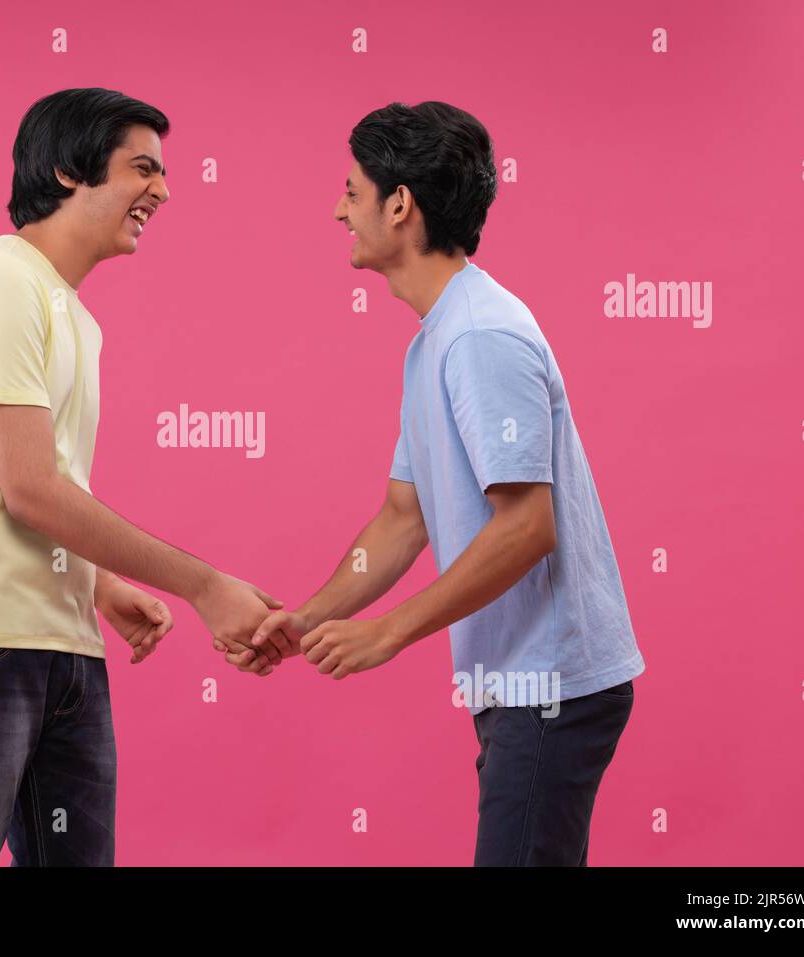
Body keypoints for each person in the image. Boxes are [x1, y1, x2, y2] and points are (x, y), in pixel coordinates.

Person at [221, 101, 646, 866]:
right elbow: (401, 518)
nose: (337, 210)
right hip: (516, 683)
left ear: (400, 204)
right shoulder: (437, 341)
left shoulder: (481, 334)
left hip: (549, 685)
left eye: (351, 192)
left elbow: (526, 527)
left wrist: (387, 632)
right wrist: (305, 620)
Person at [0, 87, 281, 866]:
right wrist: (203, 586)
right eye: (142, 168)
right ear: (70, 170)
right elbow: (30, 486)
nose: (162, 190)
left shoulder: (69, 312)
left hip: (61, 649)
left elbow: (34, 482)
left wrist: (97, 583)